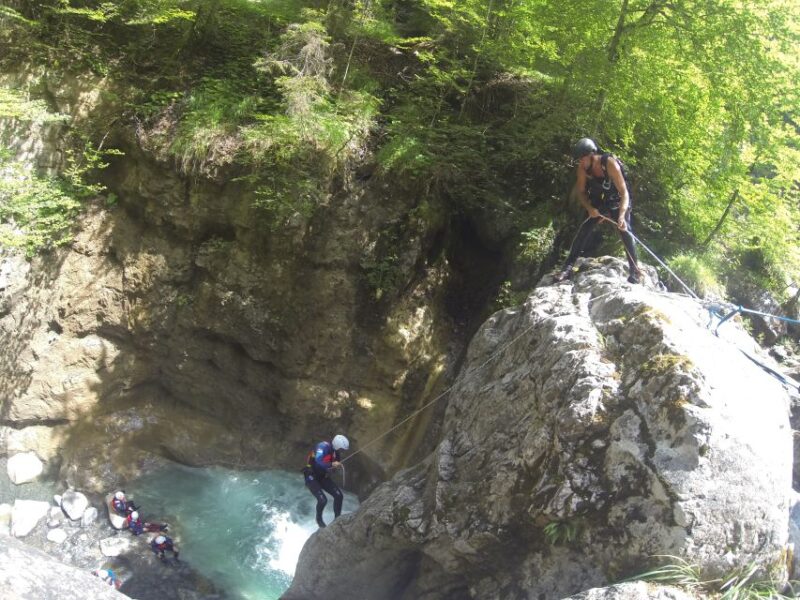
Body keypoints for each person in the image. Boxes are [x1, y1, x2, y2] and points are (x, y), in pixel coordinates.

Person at [554, 138, 642, 284]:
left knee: (625, 229)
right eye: (579, 159)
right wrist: (590, 209)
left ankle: (635, 271)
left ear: (592, 154)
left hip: (618, 199)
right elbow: (581, 193)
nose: (580, 162)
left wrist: (621, 215)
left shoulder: (610, 164)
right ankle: (567, 268)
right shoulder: (582, 169)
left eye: (582, 158)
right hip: (600, 201)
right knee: (584, 228)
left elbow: (624, 193)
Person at [303, 434, 349, 528]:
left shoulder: (336, 453)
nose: (341, 451)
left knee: (339, 496)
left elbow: (332, 466)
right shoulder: (322, 446)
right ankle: (319, 519)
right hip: (311, 476)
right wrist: (332, 463)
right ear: (337, 445)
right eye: (341, 448)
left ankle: (337, 519)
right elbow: (319, 460)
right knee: (323, 500)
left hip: (323, 476)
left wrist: (336, 467)